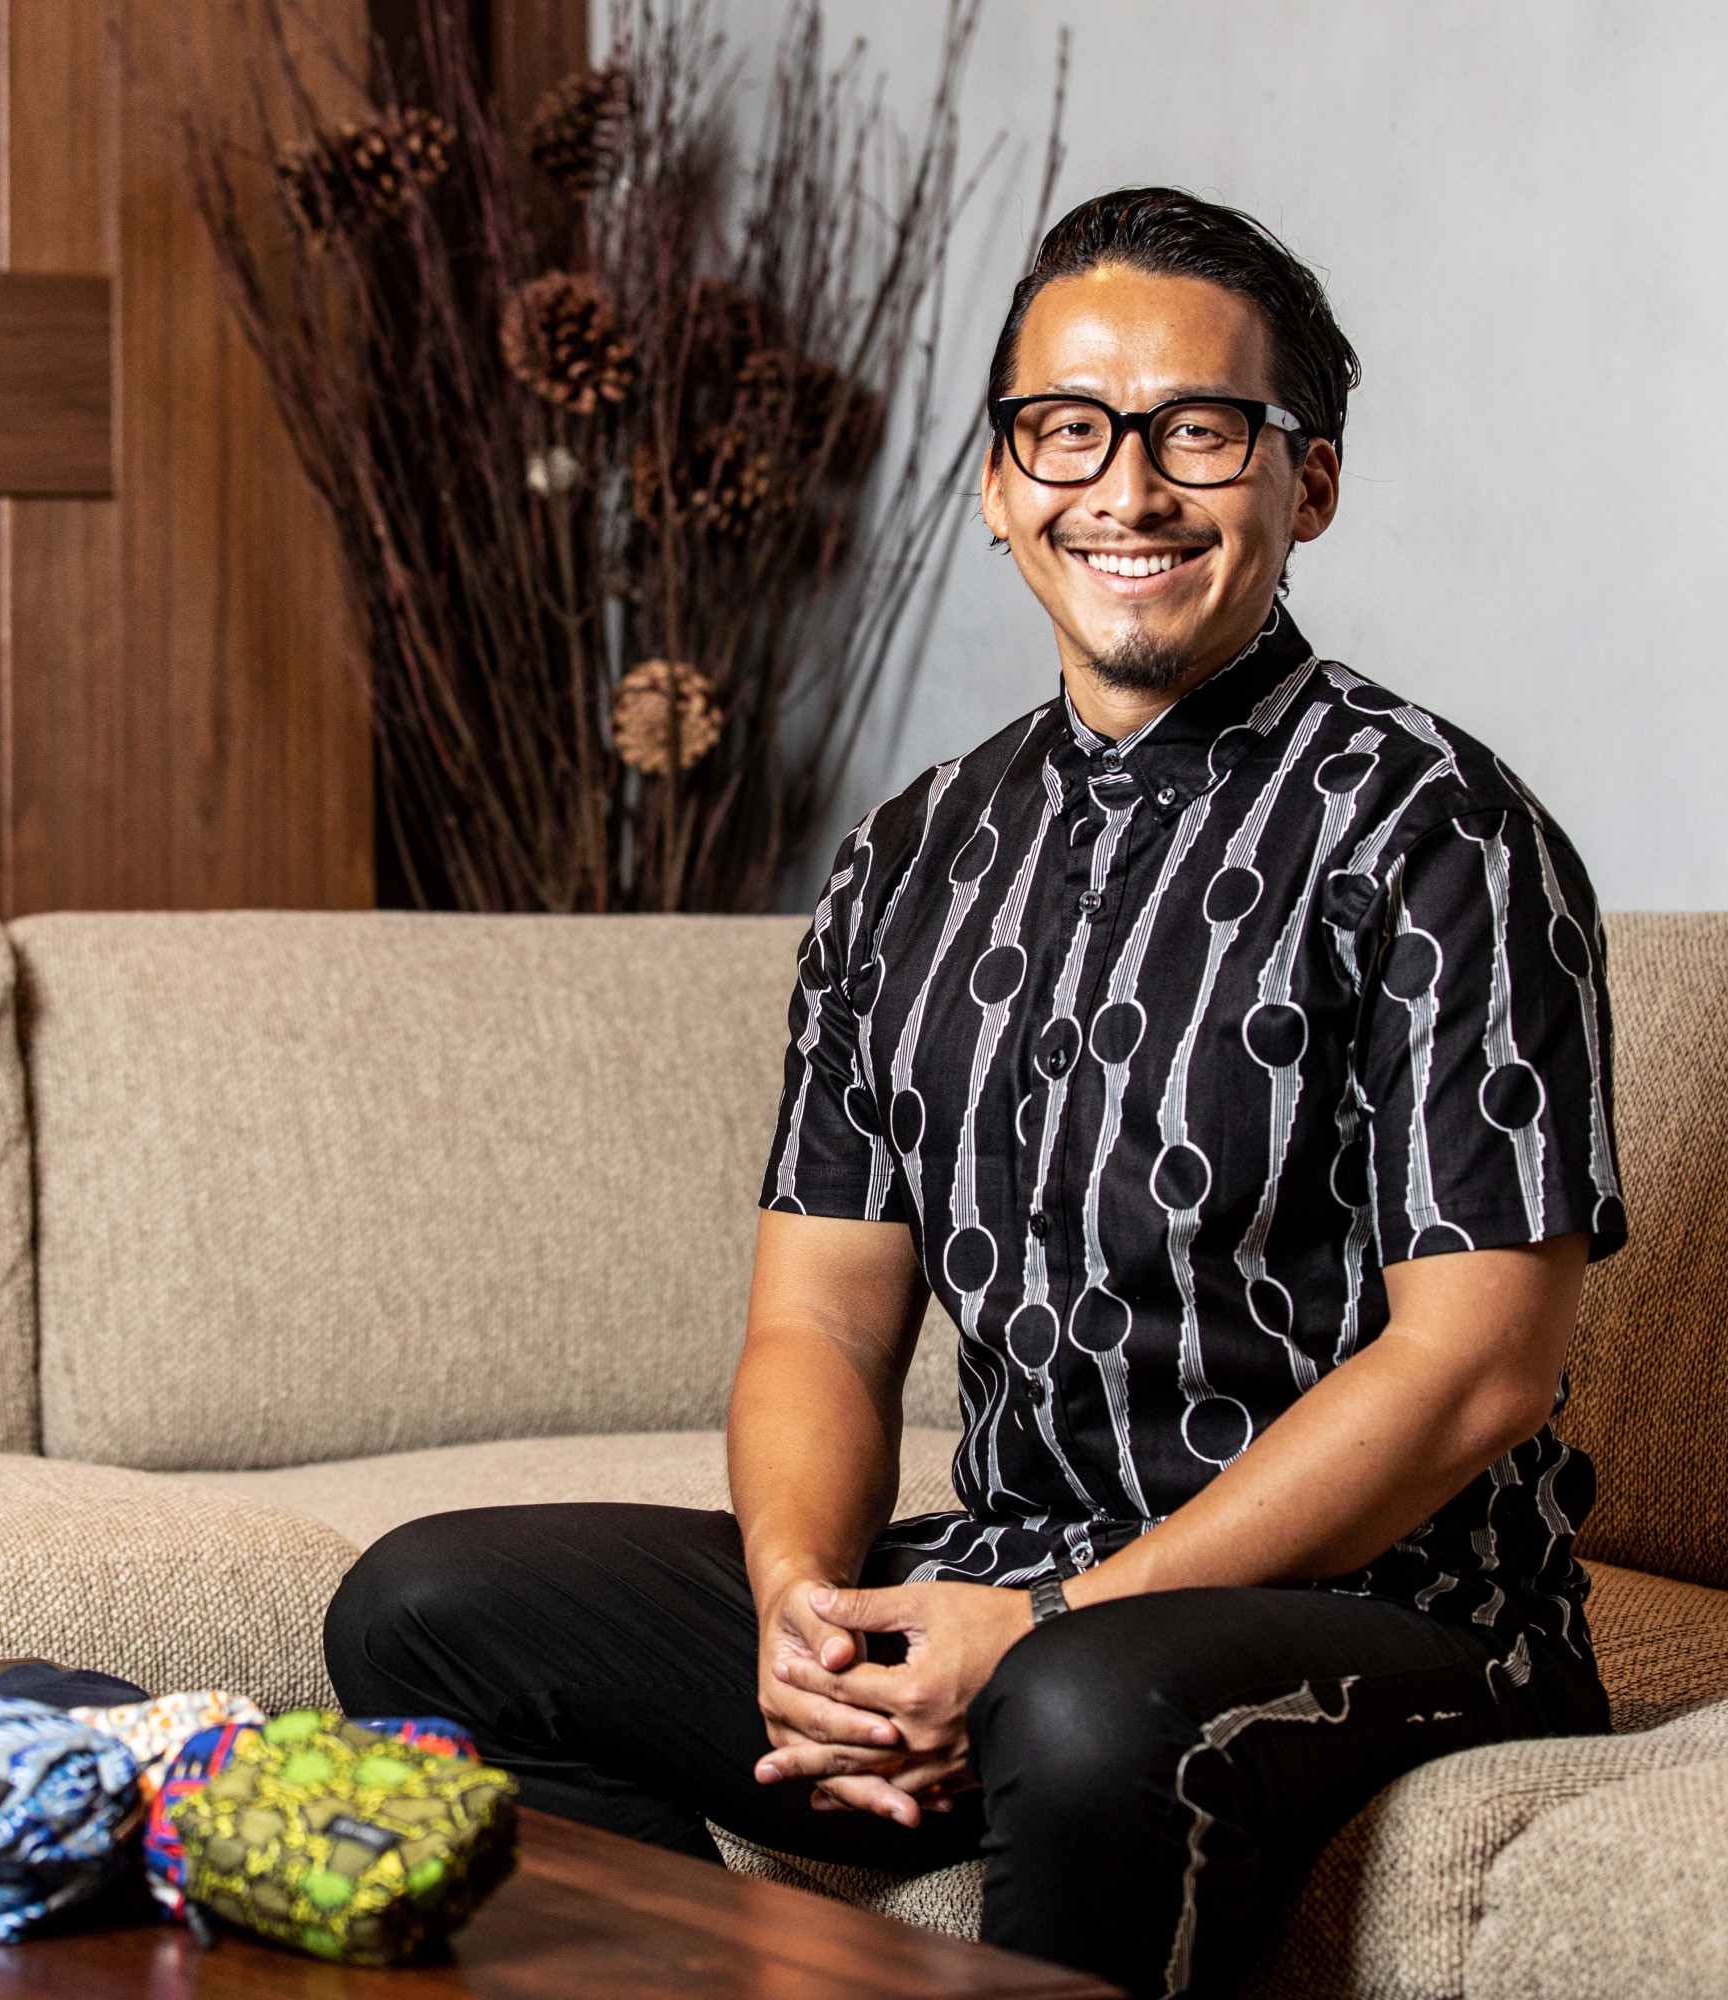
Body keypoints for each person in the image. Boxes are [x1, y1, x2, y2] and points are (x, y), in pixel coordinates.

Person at [325, 186, 1625, 1999]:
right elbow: (821, 1326)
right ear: (1004, 485)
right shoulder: (910, 858)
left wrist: (1044, 1629)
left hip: (1391, 1611)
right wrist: (803, 1605)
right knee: (431, 1608)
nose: (1128, 489)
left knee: (1081, 1706)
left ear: (1308, 483)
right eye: (1066, 430)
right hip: (1012, 1569)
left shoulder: (1440, 835)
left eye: (1200, 431)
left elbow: (1478, 1369)